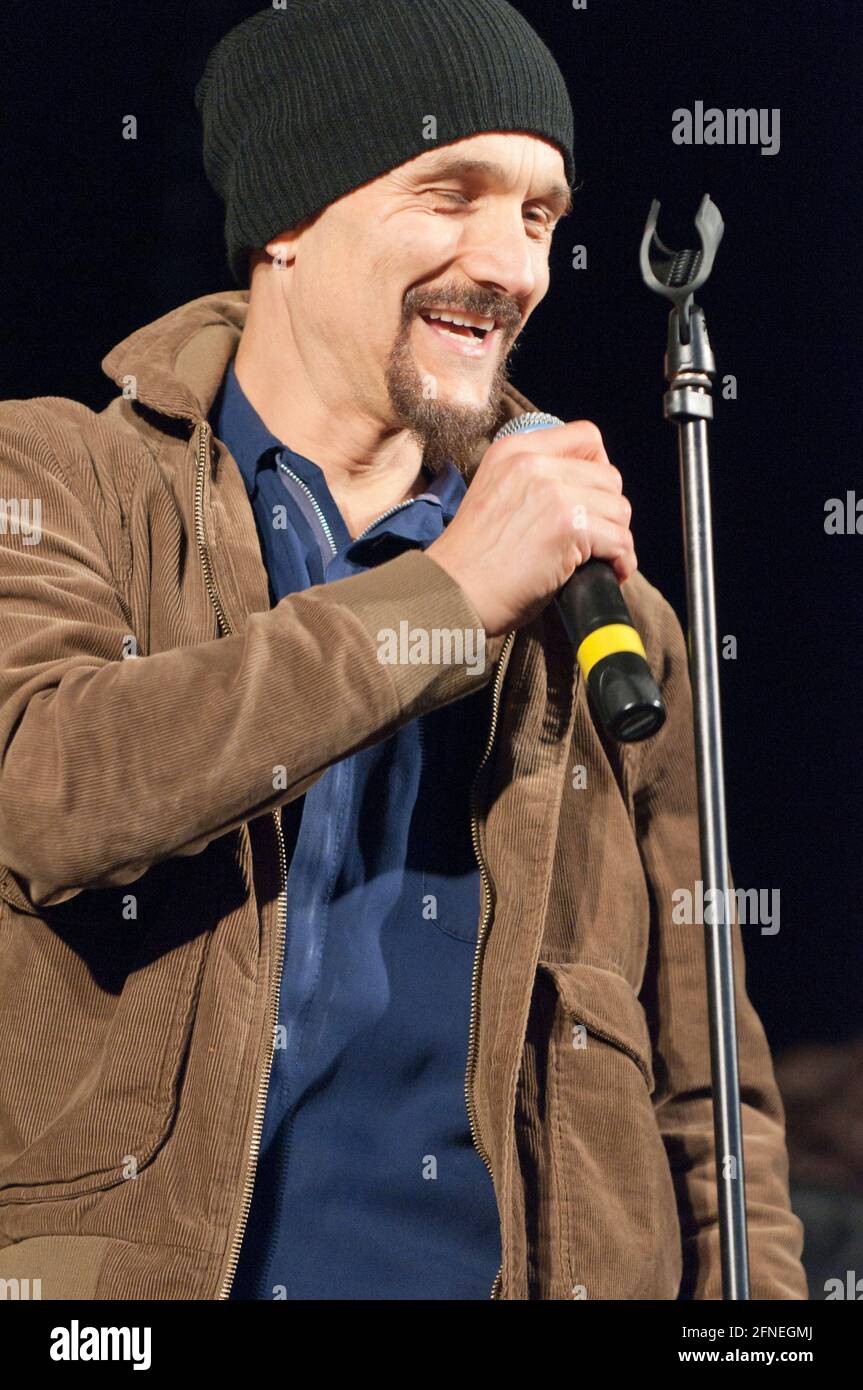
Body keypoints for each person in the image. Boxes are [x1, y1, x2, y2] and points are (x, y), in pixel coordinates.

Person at [0, 0, 806, 1300]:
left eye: (541, 215)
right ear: (289, 220)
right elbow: (49, 785)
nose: (513, 264)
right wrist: (443, 598)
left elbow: (715, 1102)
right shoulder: (60, 479)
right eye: (452, 195)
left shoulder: (610, 621)